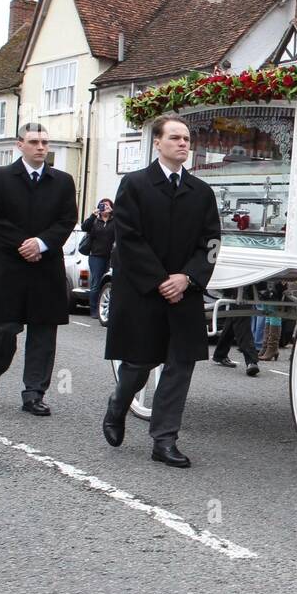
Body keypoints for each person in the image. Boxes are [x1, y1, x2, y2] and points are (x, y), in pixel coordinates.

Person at [103, 114, 221, 468]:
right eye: (175, 138)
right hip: (143, 291)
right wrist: (160, 280)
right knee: (139, 363)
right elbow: (128, 238)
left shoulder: (202, 192)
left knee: (180, 365)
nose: (183, 143)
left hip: (185, 292)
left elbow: (212, 242)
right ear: (157, 142)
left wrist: (187, 277)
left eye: (186, 138)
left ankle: (164, 439)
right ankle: (117, 406)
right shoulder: (135, 185)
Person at [0, 123, 78, 414]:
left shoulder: (62, 181)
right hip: (8, 265)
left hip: (46, 267)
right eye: (34, 142)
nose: (41, 147)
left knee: (43, 333)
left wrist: (42, 243)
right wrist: (24, 244)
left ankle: (34, 393)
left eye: (45, 142)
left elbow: (67, 219)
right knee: (5, 330)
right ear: (19, 144)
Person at [81, 198, 115, 318]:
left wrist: (114, 213)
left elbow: (122, 228)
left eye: (107, 206)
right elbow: (84, 227)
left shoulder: (114, 221)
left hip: (111, 256)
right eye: (102, 205)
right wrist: (93, 215)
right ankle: (94, 309)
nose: (104, 208)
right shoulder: (95, 220)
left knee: (109, 282)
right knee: (96, 283)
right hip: (96, 256)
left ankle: (108, 308)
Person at [212, 302, 260, 376]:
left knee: (235, 314)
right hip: (241, 292)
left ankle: (220, 354)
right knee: (241, 314)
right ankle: (251, 361)